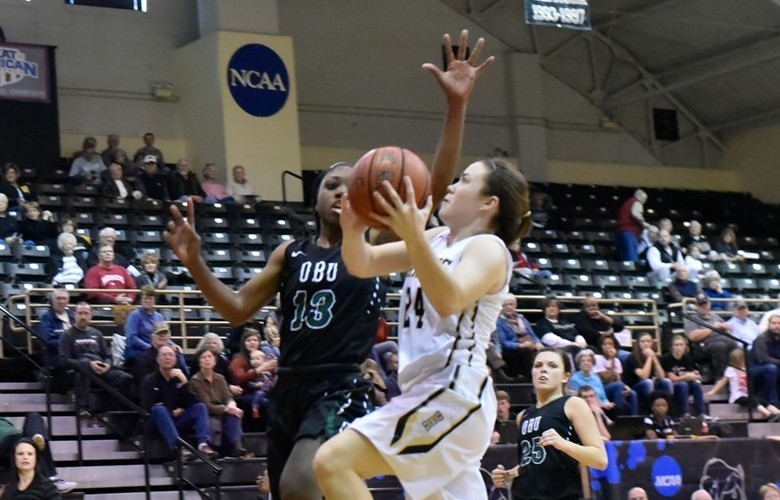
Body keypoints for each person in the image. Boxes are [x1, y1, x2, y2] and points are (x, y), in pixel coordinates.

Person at [165, 29, 490, 500]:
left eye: (349, 183)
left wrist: (456, 107)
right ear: (315, 199)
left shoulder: (373, 240)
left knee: (303, 482)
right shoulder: (289, 253)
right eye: (331, 185)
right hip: (289, 385)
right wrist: (196, 264)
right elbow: (237, 310)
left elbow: (433, 192)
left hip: (341, 384)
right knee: (289, 492)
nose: (340, 191)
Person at [314, 149, 535, 497]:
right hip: (425, 391)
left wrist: (414, 236)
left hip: (453, 393)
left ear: (488, 203)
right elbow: (364, 263)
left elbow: (449, 299)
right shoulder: (436, 239)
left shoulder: (489, 249)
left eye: (464, 180)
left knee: (333, 461)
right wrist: (353, 228)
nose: (450, 186)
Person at [489, 349, 607, 500]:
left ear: (565, 377)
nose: (543, 369)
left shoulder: (573, 404)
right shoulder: (523, 416)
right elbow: (534, 463)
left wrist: (563, 444)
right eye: (538, 365)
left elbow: (600, 459)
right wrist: (510, 474)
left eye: (552, 365)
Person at [140, 345, 217, 460]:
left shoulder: (179, 378)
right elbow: (147, 408)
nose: (168, 358)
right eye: (164, 355)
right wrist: (171, 412)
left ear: (175, 359)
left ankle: (203, 444)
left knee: (200, 407)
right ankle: (178, 448)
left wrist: (185, 382)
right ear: (158, 359)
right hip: (155, 424)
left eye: (171, 355)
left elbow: (191, 402)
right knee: (159, 409)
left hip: (176, 421)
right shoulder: (149, 380)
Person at [59, 302, 134, 409]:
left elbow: (107, 356)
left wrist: (107, 365)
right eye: (80, 313)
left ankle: (113, 409)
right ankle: (84, 406)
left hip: (100, 369)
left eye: (86, 313)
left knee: (126, 377)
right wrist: (89, 364)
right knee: (84, 363)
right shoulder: (67, 335)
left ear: (91, 315)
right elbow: (63, 360)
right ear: (74, 315)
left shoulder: (97, 334)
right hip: (80, 370)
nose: (83, 317)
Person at [189, 347, 252, 458]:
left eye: (209, 357)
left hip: (223, 411)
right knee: (217, 419)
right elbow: (206, 405)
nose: (207, 360)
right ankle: (211, 449)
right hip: (207, 413)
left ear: (215, 361)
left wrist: (231, 404)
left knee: (234, 416)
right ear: (199, 361)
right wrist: (227, 409)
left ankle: (237, 447)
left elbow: (227, 397)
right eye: (203, 357)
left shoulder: (220, 378)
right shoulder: (195, 380)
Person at [0, 413, 77, 494]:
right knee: (26, 443)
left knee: (34, 416)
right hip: (4, 446)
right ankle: (49, 479)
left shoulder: (3, 420)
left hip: (19, 441)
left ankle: (34, 440)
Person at [706, 348, 780, 421]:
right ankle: (768, 414)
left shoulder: (746, 369)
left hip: (746, 395)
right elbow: (722, 382)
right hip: (737, 396)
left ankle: (777, 413)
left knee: (763, 401)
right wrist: (712, 391)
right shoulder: (731, 369)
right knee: (753, 401)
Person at [684, 293, 738, 380]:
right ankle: (720, 378)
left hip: (722, 340)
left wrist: (727, 327)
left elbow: (729, 329)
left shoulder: (715, 316)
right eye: (700, 304)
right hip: (701, 346)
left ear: (709, 304)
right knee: (720, 346)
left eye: (705, 303)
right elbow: (692, 336)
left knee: (733, 343)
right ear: (696, 306)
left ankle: (736, 376)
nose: (703, 306)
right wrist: (712, 328)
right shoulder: (691, 318)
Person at [623, 331, 673, 412]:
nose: (646, 344)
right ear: (638, 344)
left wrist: (654, 359)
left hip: (651, 385)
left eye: (648, 341)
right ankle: (651, 412)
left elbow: (662, 376)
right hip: (633, 387)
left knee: (666, 381)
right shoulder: (632, 357)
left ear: (652, 343)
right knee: (648, 382)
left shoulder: (655, 356)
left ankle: (670, 412)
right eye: (643, 341)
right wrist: (650, 358)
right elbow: (644, 376)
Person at [496, 294, 543, 379]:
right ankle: (529, 377)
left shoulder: (521, 318)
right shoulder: (499, 322)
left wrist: (538, 342)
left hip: (528, 343)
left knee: (543, 350)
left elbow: (532, 334)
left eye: (511, 304)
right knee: (525, 351)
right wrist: (520, 345)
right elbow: (504, 343)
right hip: (511, 350)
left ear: (515, 306)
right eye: (505, 305)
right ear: (501, 307)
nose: (508, 307)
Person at [661, 334, 707, 418]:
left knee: (696, 385)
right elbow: (672, 378)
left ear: (685, 347)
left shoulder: (687, 358)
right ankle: (685, 413)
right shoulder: (666, 358)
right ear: (672, 347)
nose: (679, 347)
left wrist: (695, 375)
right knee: (683, 384)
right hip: (672, 387)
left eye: (681, 345)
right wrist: (687, 376)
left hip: (684, 386)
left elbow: (691, 374)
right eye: (676, 345)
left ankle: (702, 413)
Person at [593, 334, 638, 415]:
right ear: (601, 346)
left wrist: (625, 387)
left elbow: (619, 380)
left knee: (632, 393)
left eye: (610, 344)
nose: (608, 346)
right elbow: (606, 379)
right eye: (605, 344)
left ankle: (634, 420)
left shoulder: (617, 360)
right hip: (601, 388)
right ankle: (620, 415)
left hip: (614, 386)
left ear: (614, 346)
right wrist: (612, 359)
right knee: (618, 386)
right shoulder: (597, 358)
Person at [123, 288, 167, 368]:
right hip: (137, 350)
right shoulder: (134, 315)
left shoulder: (159, 316)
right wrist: (151, 348)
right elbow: (132, 338)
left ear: (154, 300)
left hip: (155, 350)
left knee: (176, 354)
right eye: (145, 298)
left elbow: (164, 335)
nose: (147, 301)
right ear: (141, 300)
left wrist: (173, 345)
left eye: (150, 298)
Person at [37, 289, 74, 371]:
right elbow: (47, 341)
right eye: (58, 298)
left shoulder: (73, 315)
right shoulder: (46, 318)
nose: (61, 301)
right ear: (52, 301)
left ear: (68, 301)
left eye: (64, 298)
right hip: (56, 355)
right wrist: (68, 345)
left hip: (75, 352)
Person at [749, 315, 780, 411]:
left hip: (774, 366)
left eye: (779, 323)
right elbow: (763, 359)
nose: (777, 326)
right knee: (772, 368)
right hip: (755, 368)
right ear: (769, 325)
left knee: (773, 368)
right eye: (774, 323)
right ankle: (773, 402)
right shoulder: (762, 338)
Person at [616, 189, 650, 262]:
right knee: (632, 256)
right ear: (639, 196)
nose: (645, 201)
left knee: (625, 257)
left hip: (621, 231)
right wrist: (645, 224)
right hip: (630, 231)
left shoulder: (627, 203)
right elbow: (636, 214)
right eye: (644, 198)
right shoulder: (637, 202)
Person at [246, 350, 277, 419]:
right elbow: (248, 383)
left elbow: (273, 379)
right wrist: (256, 385)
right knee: (259, 394)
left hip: (269, 390)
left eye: (257, 359)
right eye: (252, 359)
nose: (255, 361)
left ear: (264, 360)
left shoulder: (268, 371)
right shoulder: (251, 372)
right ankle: (255, 408)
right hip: (259, 390)